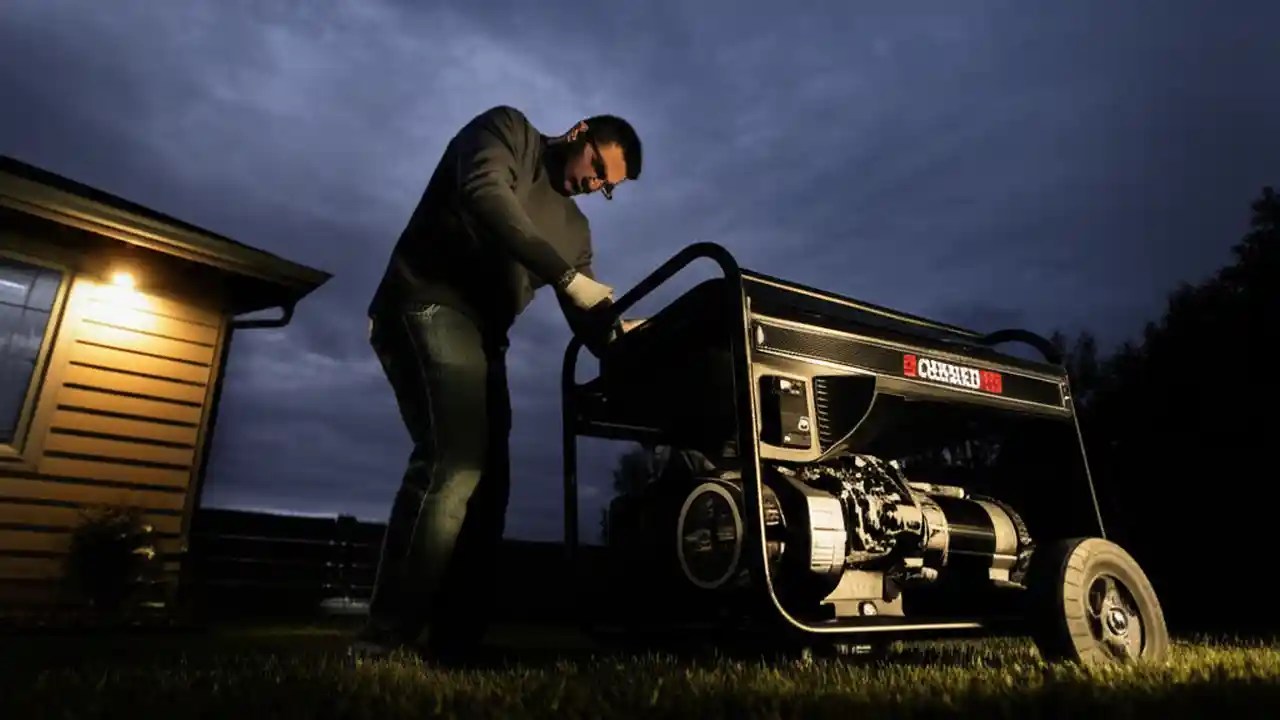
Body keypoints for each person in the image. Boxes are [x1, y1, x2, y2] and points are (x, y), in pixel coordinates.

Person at [352, 105, 644, 662]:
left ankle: (454, 646)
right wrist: (564, 275)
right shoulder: (508, 133)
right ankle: (382, 641)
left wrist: (625, 330)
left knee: (490, 490)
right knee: (454, 462)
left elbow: (587, 316)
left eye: (607, 186)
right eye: (597, 167)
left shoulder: (576, 231)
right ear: (580, 133)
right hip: (425, 300)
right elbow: (486, 195)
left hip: (488, 338)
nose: (594, 184)